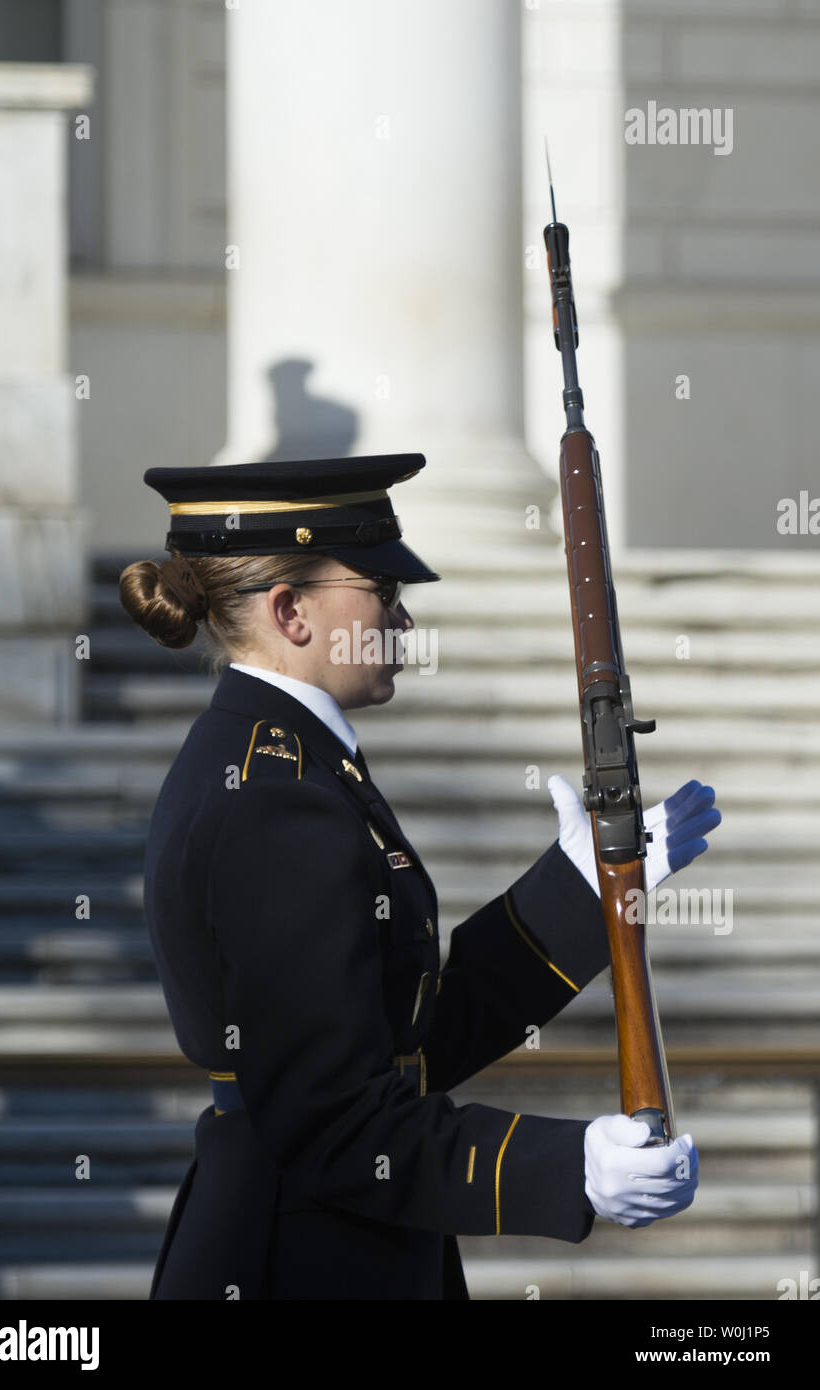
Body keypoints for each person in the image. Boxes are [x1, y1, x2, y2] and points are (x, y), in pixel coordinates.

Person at [119, 453, 718, 1301]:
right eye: (380, 594)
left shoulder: (294, 767)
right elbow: (335, 1122)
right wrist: (565, 1168)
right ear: (291, 612)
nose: (401, 621)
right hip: (299, 1264)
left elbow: (406, 1042)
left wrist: (579, 891)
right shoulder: (273, 800)